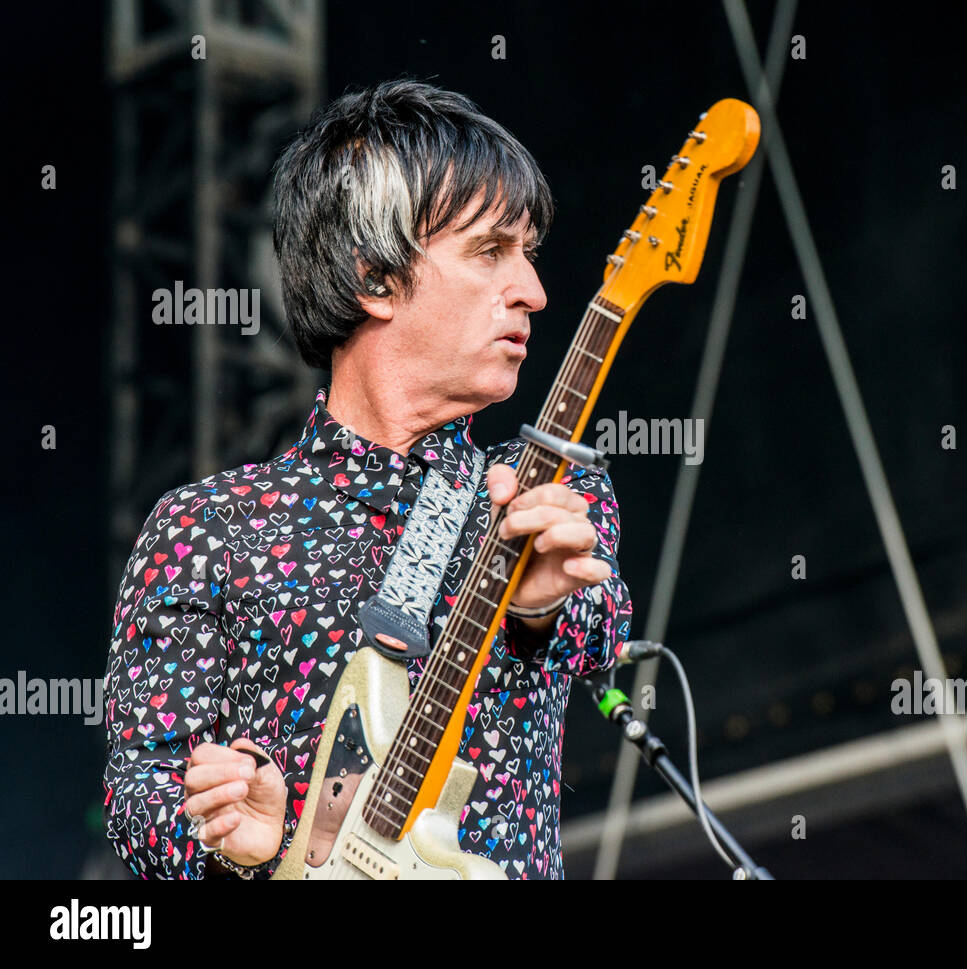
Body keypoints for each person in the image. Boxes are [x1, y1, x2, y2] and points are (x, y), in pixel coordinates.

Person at [102, 79, 633, 880]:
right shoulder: (208, 528)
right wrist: (241, 837)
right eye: (491, 251)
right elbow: (139, 788)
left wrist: (544, 610)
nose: (533, 290)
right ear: (372, 278)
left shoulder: (539, 494)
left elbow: (604, 636)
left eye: (529, 254)